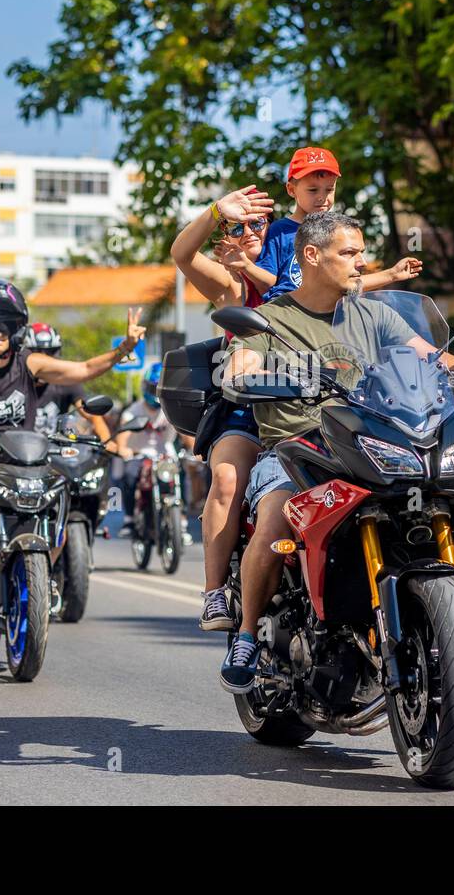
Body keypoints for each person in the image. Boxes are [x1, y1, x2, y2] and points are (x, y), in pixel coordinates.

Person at [217, 212, 454, 691]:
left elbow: (430, 354)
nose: (361, 263)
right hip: (298, 450)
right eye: (350, 253)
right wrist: (247, 376)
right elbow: (240, 366)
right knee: (278, 513)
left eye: (361, 252)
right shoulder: (271, 320)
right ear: (313, 256)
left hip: (367, 441)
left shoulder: (374, 314)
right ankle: (248, 635)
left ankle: (434, 611)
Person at [0, 281, 144, 600]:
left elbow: (83, 369)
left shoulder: (30, 363)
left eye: (7, 323)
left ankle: (44, 578)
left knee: (60, 502)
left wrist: (124, 349)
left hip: (27, 456)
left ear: (18, 328)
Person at [168, 185, 274, 629]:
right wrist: (215, 212)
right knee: (228, 479)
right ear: (224, 237)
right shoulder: (232, 287)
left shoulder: (306, 283)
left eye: (258, 224)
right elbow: (182, 254)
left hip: (316, 413)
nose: (249, 232)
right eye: (238, 226)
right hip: (248, 412)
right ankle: (214, 592)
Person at [249, 146, 421, 306]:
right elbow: (267, 282)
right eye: (313, 190)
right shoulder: (279, 231)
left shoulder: (338, 232)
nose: (322, 197)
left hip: (327, 312)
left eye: (329, 189)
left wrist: (392, 274)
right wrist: (244, 265)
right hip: (288, 312)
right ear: (291, 189)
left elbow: (348, 284)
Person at [115, 362, 179, 537]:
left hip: (164, 455)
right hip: (139, 455)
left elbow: (186, 433)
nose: (156, 393)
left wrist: (197, 450)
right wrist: (122, 449)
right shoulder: (133, 411)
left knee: (179, 476)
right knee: (129, 475)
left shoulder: (172, 410)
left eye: (160, 388)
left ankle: (181, 519)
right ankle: (128, 519)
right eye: (154, 388)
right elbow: (123, 433)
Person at [26, 322, 111, 441]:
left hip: (56, 453)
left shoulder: (66, 382)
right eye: (37, 353)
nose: (44, 360)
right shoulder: (16, 381)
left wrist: (107, 442)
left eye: (50, 352)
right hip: (19, 453)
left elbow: (91, 415)